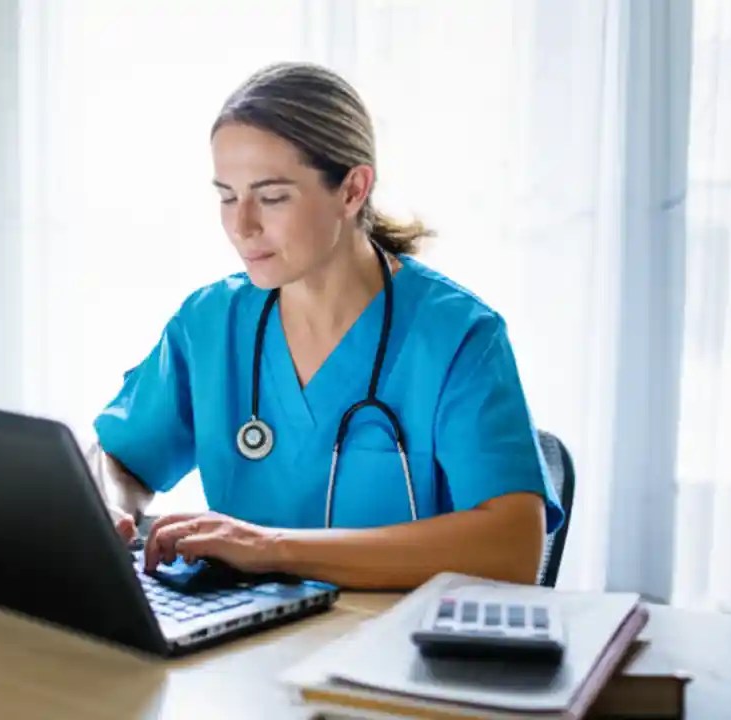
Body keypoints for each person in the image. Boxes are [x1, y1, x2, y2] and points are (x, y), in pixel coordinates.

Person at [92, 62, 565, 591]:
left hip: (395, 653)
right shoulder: (210, 325)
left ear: (352, 190)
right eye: (227, 196)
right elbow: (120, 459)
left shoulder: (456, 337)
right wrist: (107, 508)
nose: (241, 225)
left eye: (272, 197)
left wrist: (272, 549)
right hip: (240, 646)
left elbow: (513, 548)